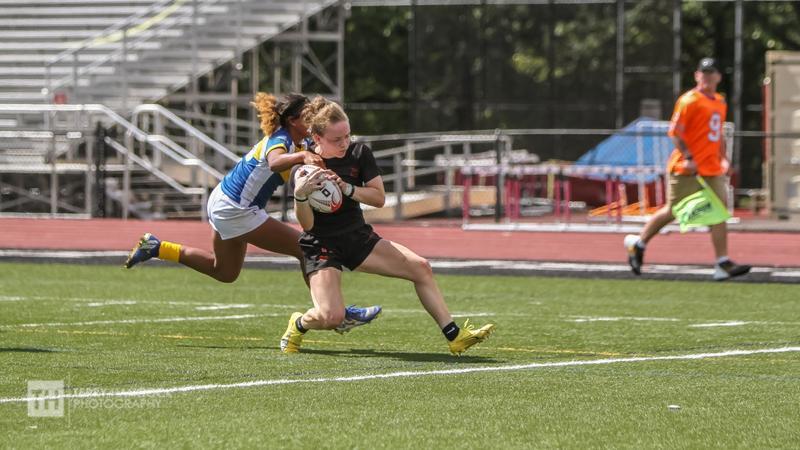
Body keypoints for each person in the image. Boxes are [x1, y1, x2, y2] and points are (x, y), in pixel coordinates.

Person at [123, 92, 382, 333]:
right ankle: (335, 313)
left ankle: (157, 247)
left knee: (224, 272)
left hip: (226, 202)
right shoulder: (280, 139)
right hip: (235, 208)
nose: (314, 121)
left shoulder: (302, 140)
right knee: (305, 248)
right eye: (308, 117)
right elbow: (275, 163)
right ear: (293, 121)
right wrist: (303, 157)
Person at [280, 96, 495, 355]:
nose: (345, 143)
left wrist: (347, 188)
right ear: (317, 138)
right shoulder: (304, 169)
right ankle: (299, 324)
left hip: (357, 236)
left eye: (347, 135)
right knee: (331, 317)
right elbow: (307, 224)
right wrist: (300, 196)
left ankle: (454, 335)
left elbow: (378, 198)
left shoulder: (359, 153)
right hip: (322, 244)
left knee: (421, 267)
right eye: (337, 140)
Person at [624, 57, 751, 281]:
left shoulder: (720, 101)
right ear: (697, 75)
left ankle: (722, 263)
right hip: (686, 167)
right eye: (704, 72)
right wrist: (690, 157)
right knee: (672, 210)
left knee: (720, 211)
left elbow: (718, 133)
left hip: (711, 167)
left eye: (712, 72)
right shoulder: (689, 100)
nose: (708, 76)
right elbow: (675, 132)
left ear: (719, 77)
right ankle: (639, 243)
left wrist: (724, 159)